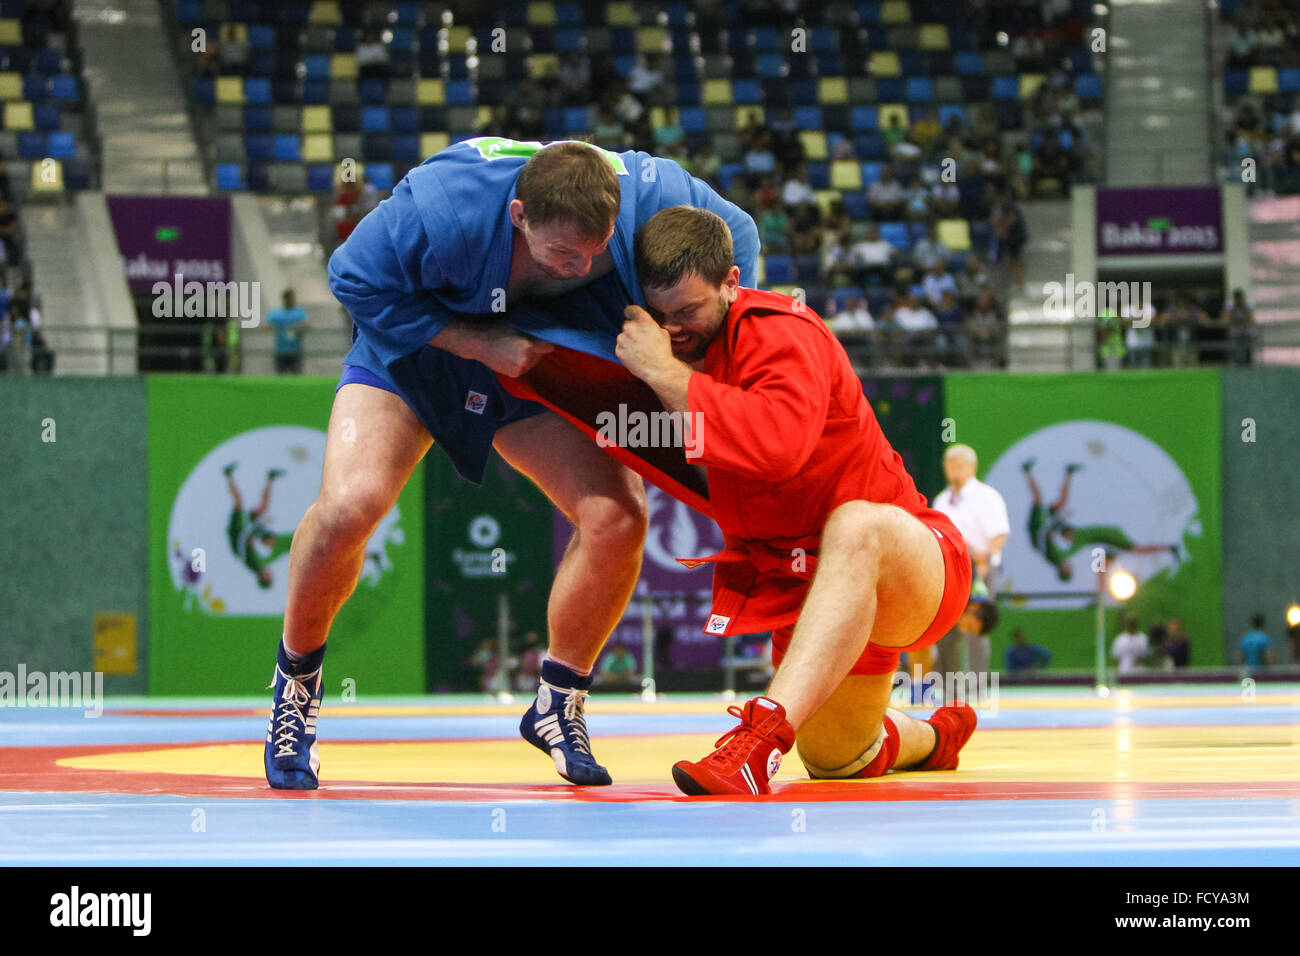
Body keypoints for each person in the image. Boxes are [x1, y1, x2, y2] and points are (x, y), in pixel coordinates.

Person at [265, 138, 759, 791]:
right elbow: (349, 276)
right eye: (561, 254)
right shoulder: (444, 208)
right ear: (518, 215)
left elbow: (739, 239)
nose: (578, 265)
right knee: (353, 504)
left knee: (617, 516)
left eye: (596, 250)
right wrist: (474, 340)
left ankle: (560, 702)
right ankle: (296, 687)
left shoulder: (653, 192)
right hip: (419, 355)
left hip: (539, 363)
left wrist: (695, 347)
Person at [588, 206, 976, 795]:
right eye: (659, 315)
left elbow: (777, 447)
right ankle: (935, 736)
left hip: (911, 568)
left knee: (855, 526)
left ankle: (760, 738)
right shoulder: (674, 349)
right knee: (838, 759)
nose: (672, 331)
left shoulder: (782, 331)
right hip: (816, 592)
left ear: (732, 283)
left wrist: (665, 374)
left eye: (689, 311)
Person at [266, 289, 309, 374]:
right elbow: (266, 326)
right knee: (280, 375)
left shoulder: (299, 312)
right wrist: (276, 328)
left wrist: (298, 327)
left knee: (296, 374)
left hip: (295, 350)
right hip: (280, 350)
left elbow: (307, 325)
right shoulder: (277, 313)